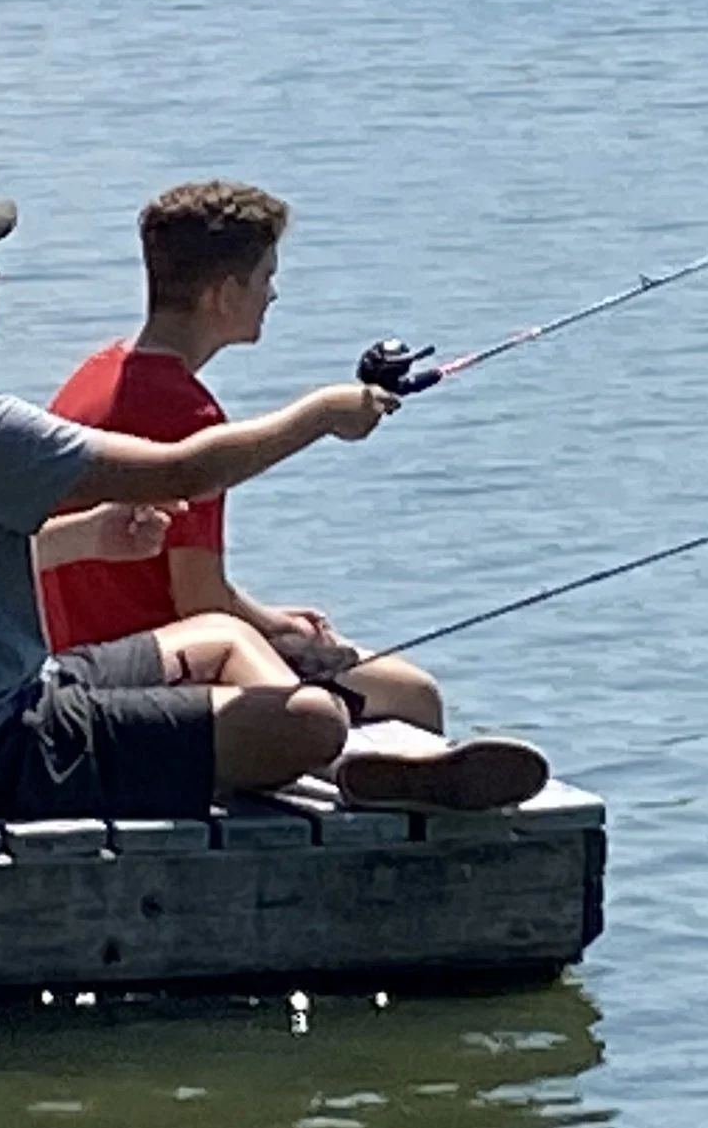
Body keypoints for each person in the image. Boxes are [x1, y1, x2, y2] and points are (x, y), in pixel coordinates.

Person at [0, 180, 549, 823]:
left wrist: (87, 536)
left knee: (220, 638)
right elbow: (180, 471)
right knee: (312, 719)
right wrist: (322, 414)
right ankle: (333, 755)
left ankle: (355, 770)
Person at [39, 180, 447, 731]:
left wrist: (270, 620)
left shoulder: (91, 377)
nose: (272, 296)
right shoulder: (192, 421)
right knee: (414, 696)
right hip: (161, 678)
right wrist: (287, 637)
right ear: (224, 295)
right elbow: (198, 602)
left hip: (78, 660)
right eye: (265, 279)